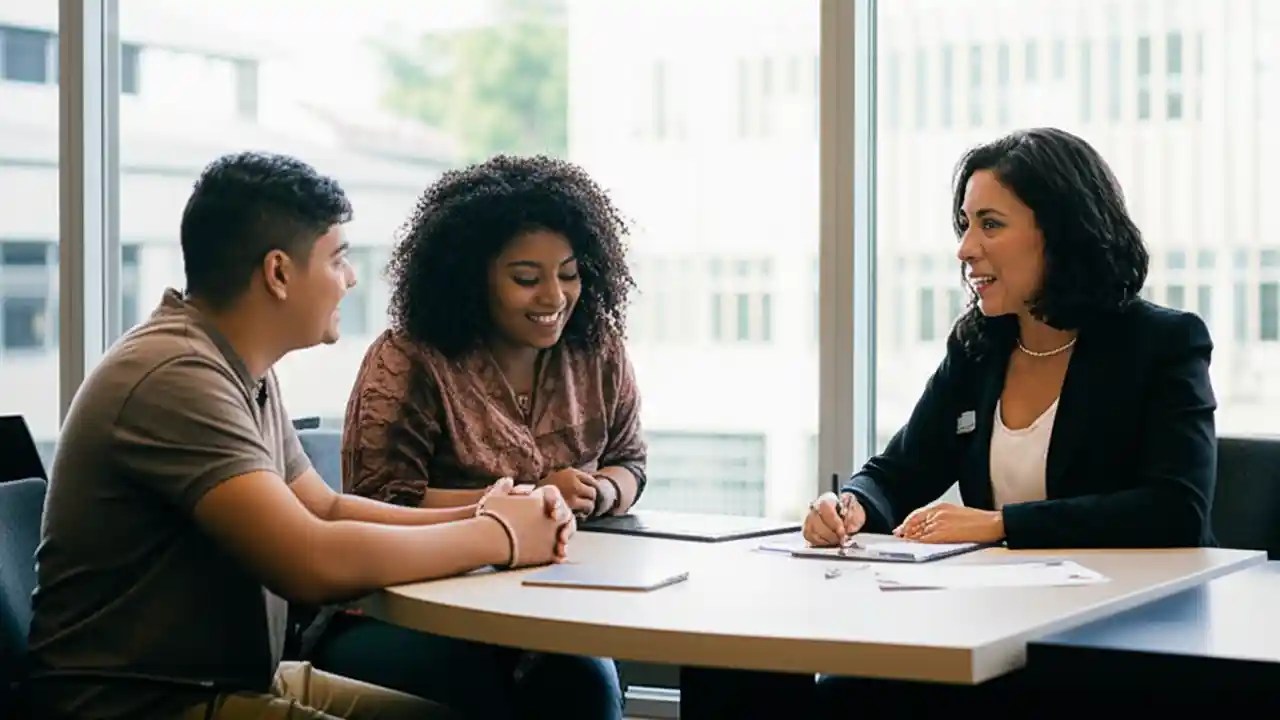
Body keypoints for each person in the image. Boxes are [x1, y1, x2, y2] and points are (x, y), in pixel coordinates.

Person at [23, 152, 574, 720]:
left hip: (230, 679)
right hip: (139, 703)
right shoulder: (176, 376)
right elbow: (308, 562)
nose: (352, 277)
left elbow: (327, 509)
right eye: (337, 258)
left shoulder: (239, 366)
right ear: (279, 273)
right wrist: (499, 538)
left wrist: (488, 513)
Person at [801, 127, 1218, 711]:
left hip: (1127, 639)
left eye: (990, 224)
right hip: (995, 628)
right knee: (843, 692)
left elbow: (1176, 511)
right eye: (965, 225)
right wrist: (853, 506)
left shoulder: (1161, 343)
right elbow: (899, 470)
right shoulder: (979, 348)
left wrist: (999, 525)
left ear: (1062, 232)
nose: (966, 248)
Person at [311, 154, 646, 720]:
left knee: (586, 685)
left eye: (569, 273)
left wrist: (599, 492)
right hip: (403, 611)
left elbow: (630, 463)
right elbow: (379, 499)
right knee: (487, 694)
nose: (555, 297)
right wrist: (529, 498)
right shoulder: (410, 358)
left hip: (544, 611)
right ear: (472, 275)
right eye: (525, 279)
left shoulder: (597, 349)